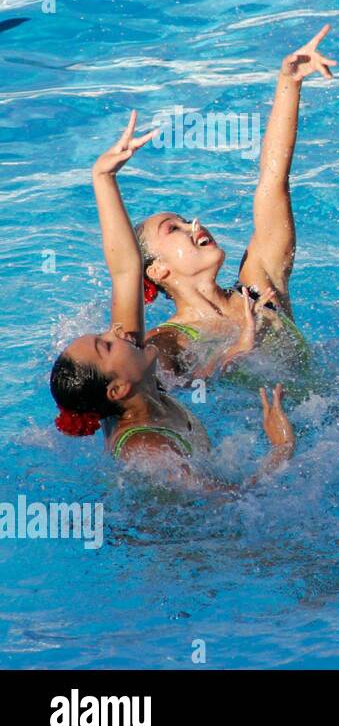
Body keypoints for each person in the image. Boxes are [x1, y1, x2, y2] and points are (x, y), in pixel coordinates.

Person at [49, 113, 296, 493]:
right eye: (106, 344)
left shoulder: (141, 387)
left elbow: (127, 271)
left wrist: (104, 177)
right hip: (184, 550)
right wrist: (281, 449)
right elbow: (233, 501)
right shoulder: (148, 449)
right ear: (116, 389)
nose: (117, 329)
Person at [136, 25, 337, 387]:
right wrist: (241, 344)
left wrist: (289, 83)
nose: (193, 224)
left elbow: (273, 184)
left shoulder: (260, 287)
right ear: (158, 271)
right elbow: (160, 400)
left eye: (185, 220)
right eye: (174, 229)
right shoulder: (166, 342)